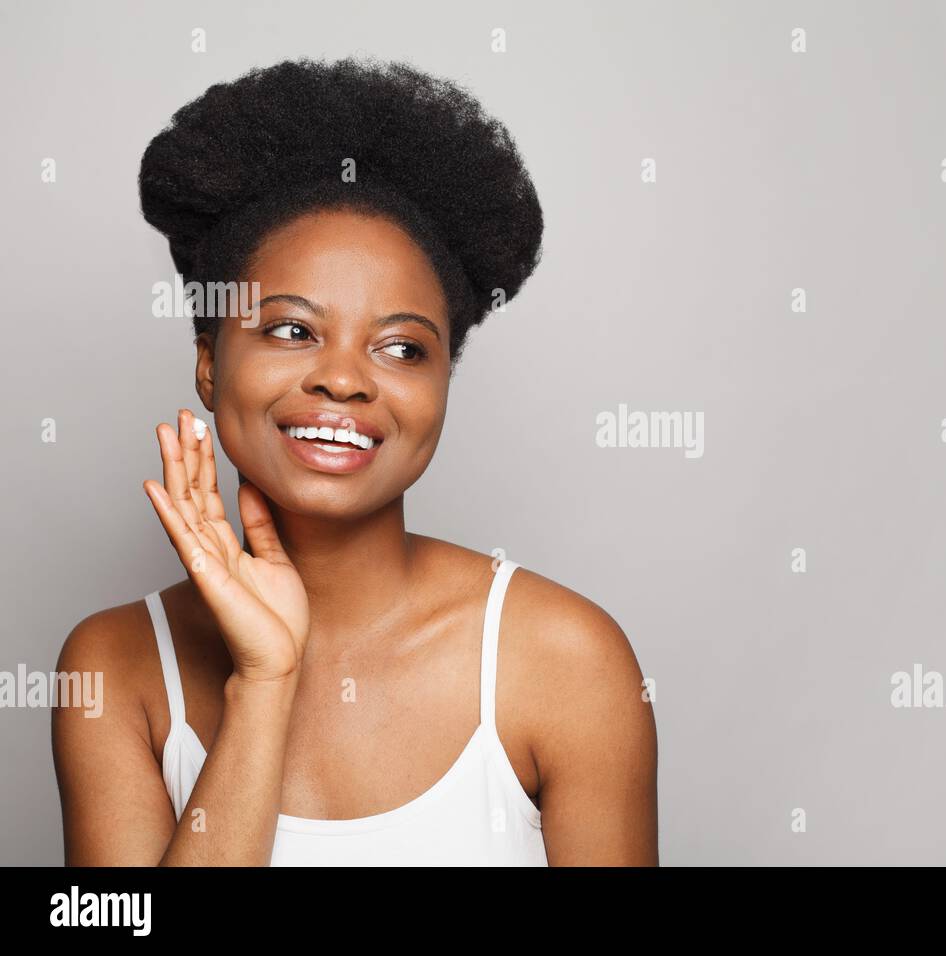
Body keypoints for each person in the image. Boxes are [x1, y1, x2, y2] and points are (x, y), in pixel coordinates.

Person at [51, 57, 658, 866]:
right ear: (208, 361)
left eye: (402, 347)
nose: (342, 378)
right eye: (292, 330)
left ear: (443, 380)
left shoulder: (565, 660)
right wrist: (265, 685)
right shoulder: (113, 668)